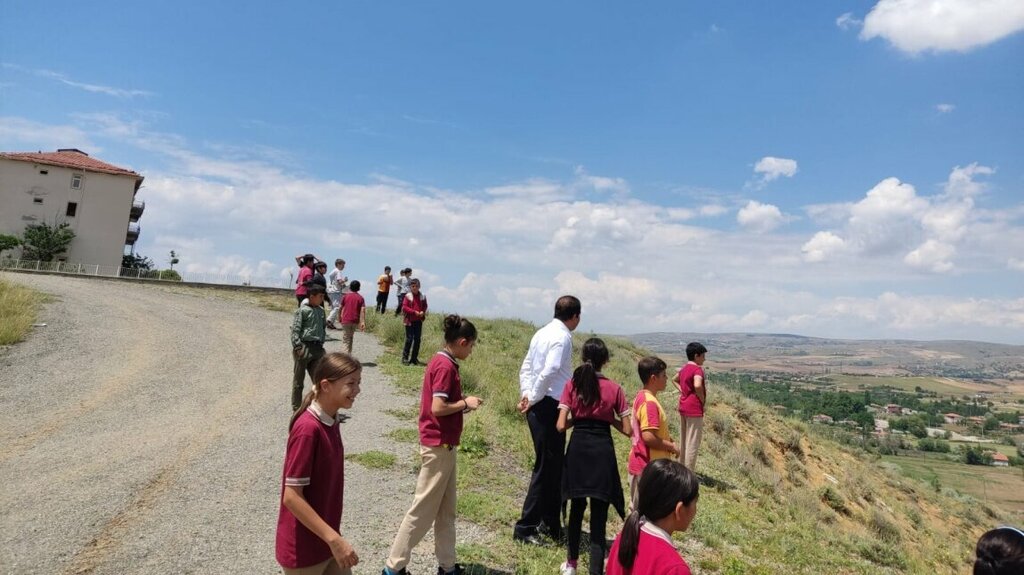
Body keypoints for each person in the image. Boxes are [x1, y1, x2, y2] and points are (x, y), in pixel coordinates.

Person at [382, 315, 484, 575]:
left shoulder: (444, 362)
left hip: (445, 447)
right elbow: (438, 408)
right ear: (461, 342)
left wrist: (461, 406)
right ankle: (393, 568)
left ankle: (447, 566)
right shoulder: (444, 366)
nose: (471, 351)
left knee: (446, 512)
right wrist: (465, 403)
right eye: (471, 346)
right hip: (438, 446)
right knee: (422, 511)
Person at [276, 352, 362, 575]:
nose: (357, 390)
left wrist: (333, 539)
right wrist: (335, 539)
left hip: (326, 542)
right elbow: (292, 496)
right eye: (351, 384)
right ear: (326, 385)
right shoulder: (308, 429)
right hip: (304, 551)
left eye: (358, 383)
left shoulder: (332, 420)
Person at [556, 338, 632, 575]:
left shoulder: (573, 385)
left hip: (578, 450)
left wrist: (578, 418)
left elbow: (560, 426)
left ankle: (571, 565)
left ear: (582, 358)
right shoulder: (615, 388)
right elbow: (628, 430)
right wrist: (608, 418)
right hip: (602, 453)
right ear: (605, 361)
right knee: (599, 519)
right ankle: (596, 572)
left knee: (576, 510)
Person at [513, 295, 581, 546]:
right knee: (546, 467)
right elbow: (551, 370)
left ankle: (550, 523)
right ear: (575, 316)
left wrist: (526, 393)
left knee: (553, 467)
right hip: (549, 405)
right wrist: (533, 397)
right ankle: (526, 526)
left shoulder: (541, 333)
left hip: (540, 402)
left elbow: (527, 367)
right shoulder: (562, 337)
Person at [606, 459, 699, 575]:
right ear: (679, 510)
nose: (696, 510)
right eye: (695, 502)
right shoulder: (675, 569)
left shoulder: (625, 538)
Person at [627, 356, 678, 511]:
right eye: (664, 375)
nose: (667, 378)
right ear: (653, 378)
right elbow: (648, 437)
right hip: (648, 466)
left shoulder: (642, 396)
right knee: (643, 514)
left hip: (643, 464)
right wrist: (672, 446)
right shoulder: (649, 403)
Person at [291, 284, 327, 411]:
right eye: (320, 296)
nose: (322, 299)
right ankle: (296, 408)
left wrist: (322, 344)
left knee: (320, 380)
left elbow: (323, 328)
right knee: (298, 381)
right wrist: (297, 346)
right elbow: (295, 330)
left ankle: (319, 406)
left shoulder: (321, 311)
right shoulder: (302, 311)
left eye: (323, 296)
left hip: (318, 349)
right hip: (304, 347)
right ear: (312, 297)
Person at [673, 342, 708, 472]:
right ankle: (688, 474)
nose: (704, 358)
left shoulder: (684, 368)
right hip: (694, 409)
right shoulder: (698, 370)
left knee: (683, 439)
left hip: (683, 406)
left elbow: (674, 379)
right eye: (703, 355)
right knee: (693, 442)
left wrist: (683, 391)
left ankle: (681, 468)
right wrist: (702, 399)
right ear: (696, 356)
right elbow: (698, 385)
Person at [401, 278, 428, 365]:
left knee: (417, 340)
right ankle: (405, 358)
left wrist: (422, 311)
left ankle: (414, 358)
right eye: (413, 286)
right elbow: (404, 307)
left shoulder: (422, 296)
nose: (415, 288)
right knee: (409, 339)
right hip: (409, 321)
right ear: (410, 287)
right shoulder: (408, 296)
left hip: (418, 321)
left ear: (419, 286)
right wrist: (414, 312)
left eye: (416, 286)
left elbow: (425, 305)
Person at [339, 280, 366, 356]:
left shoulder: (345, 296)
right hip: (355, 321)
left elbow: (340, 308)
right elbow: (363, 310)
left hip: (346, 320)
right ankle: (349, 355)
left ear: (350, 287)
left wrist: (339, 317)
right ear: (359, 288)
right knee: (350, 338)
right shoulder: (361, 298)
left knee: (346, 339)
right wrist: (362, 322)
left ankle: (345, 358)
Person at [326, 259, 348, 330]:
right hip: (336, 291)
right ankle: (329, 320)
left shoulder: (333, 271)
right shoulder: (338, 271)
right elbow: (339, 281)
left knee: (333, 307)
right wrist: (345, 280)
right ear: (338, 264)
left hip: (330, 290)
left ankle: (330, 323)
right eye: (343, 264)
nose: (344, 266)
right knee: (337, 307)